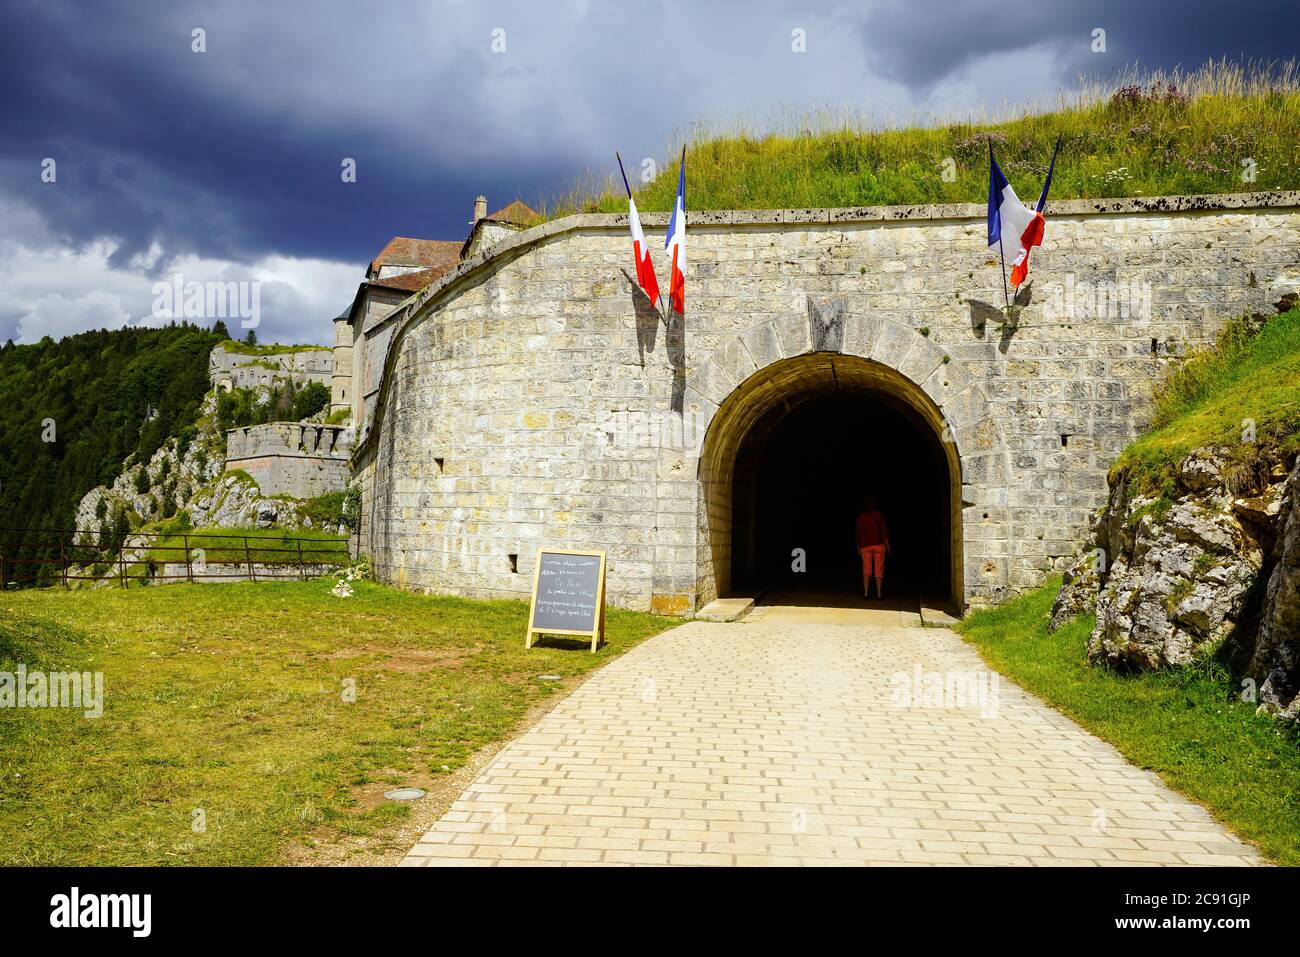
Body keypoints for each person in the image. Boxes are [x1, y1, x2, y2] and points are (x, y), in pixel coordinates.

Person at [855, 496, 890, 599]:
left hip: (865, 546)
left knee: (866, 570)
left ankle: (866, 593)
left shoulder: (861, 517)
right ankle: (879, 594)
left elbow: (858, 533)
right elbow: (884, 532)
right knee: (879, 570)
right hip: (879, 545)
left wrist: (858, 546)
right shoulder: (880, 516)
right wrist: (888, 546)